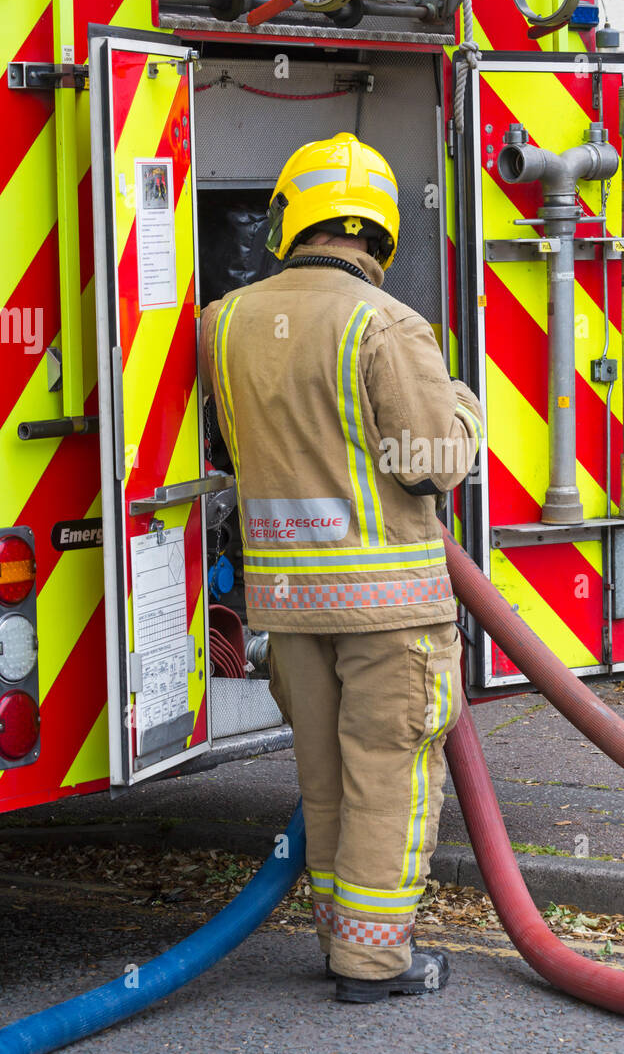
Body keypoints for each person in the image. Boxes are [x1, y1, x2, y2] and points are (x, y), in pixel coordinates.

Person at [200, 132, 484, 1003]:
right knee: (389, 779)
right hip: (387, 613)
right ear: (381, 235)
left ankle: (340, 937)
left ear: (291, 219)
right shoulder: (386, 324)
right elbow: (433, 459)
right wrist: (466, 407)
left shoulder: (225, 322)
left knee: (323, 773)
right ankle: (372, 962)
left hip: (286, 609)